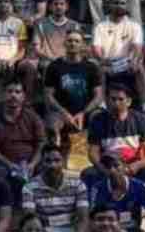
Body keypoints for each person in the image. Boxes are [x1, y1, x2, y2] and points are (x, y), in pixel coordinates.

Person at [86, 83, 145, 204]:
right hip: (108, 167)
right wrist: (105, 170)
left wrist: (135, 166)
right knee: (88, 174)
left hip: (133, 166)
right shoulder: (98, 120)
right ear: (107, 101)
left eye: (120, 99)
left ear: (128, 101)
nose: (116, 103)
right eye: (113, 99)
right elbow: (93, 153)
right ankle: (91, 214)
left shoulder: (140, 119)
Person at [41, 28, 101, 156]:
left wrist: (83, 113)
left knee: (99, 118)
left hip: (85, 112)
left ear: (83, 45)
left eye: (76, 41)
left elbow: (98, 96)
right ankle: (54, 158)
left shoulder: (91, 67)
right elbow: (49, 95)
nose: (73, 43)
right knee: (52, 124)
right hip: (60, 112)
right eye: (69, 41)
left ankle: (96, 155)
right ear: (64, 43)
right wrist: (64, 113)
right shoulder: (54, 66)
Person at [21, 146, 87, 232]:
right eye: (48, 161)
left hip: (72, 230)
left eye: (57, 160)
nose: (52, 165)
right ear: (41, 163)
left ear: (63, 161)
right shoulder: (29, 187)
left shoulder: (77, 184)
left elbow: (83, 218)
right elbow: (30, 221)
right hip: (45, 231)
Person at [0, 81, 46, 201]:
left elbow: (41, 144)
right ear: (3, 95)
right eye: (9, 91)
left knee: (48, 169)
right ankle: (2, 208)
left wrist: (32, 163)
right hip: (4, 162)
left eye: (17, 92)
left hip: (31, 161)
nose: (13, 95)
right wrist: (9, 165)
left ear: (23, 97)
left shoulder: (33, 117)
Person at [90, 0, 145, 107]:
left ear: (127, 6)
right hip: (107, 61)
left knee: (139, 67)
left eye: (122, 3)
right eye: (116, 3)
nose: (119, 6)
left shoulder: (134, 25)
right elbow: (96, 48)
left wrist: (134, 61)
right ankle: (102, 104)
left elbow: (137, 47)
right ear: (110, 5)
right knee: (100, 69)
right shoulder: (100, 26)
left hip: (126, 62)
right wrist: (104, 61)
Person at [22, 0, 79, 99]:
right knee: (43, 66)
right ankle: (34, 100)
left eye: (62, 4)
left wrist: (64, 59)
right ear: (50, 7)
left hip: (67, 59)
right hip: (45, 60)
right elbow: (36, 48)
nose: (58, 7)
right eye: (55, 4)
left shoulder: (74, 25)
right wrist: (51, 59)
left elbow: (77, 48)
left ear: (67, 7)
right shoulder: (40, 24)